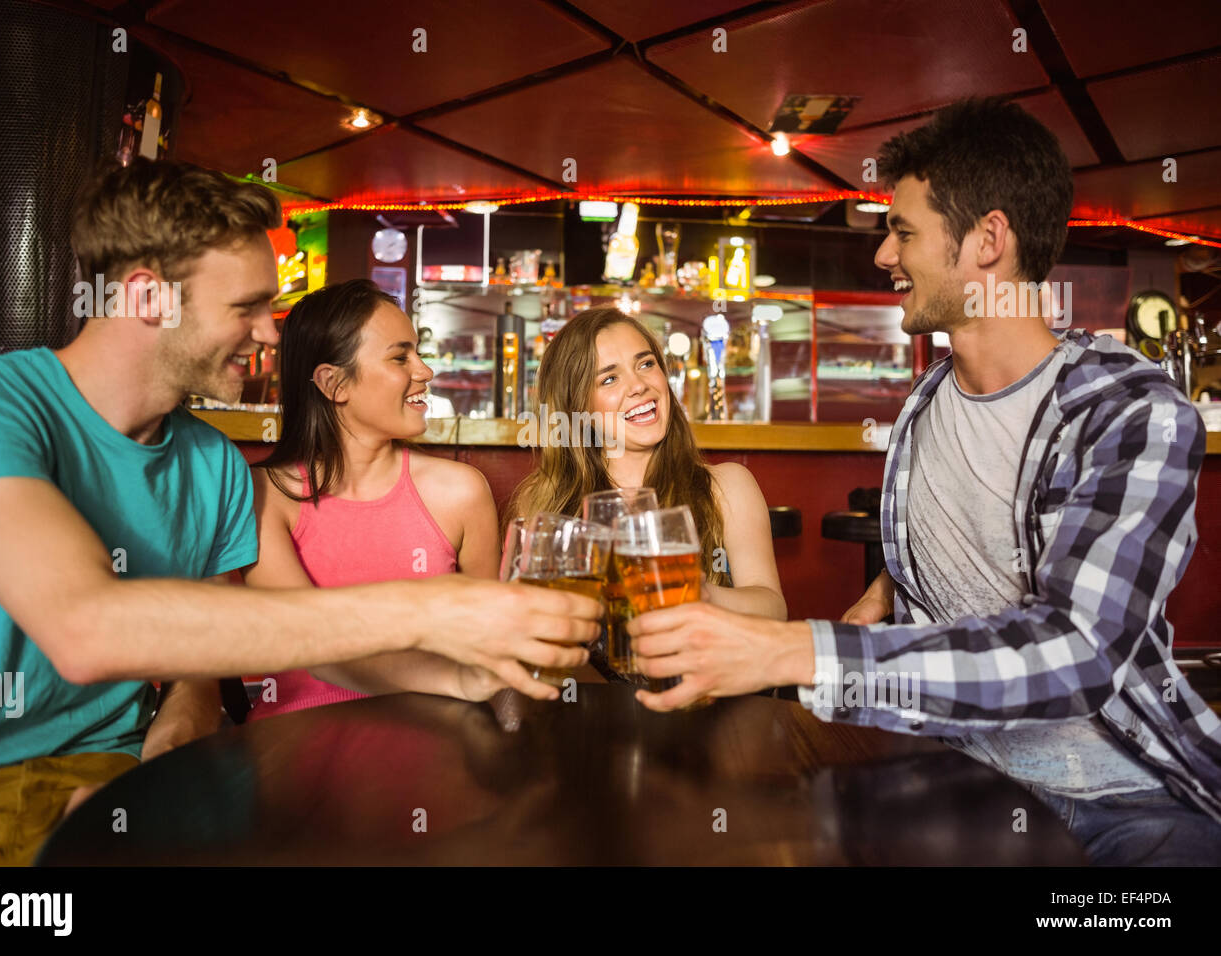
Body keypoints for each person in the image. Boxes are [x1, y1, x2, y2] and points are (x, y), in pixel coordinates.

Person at [0, 159, 597, 866]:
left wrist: (465, 677)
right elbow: (84, 627)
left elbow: (242, 646)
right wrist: (434, 608)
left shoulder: (211, 463)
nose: (271, 333)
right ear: (149, 297)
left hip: (111, 780)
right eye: (246, 307)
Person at [627, 97, 1221, 865]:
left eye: (902, 230)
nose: (882, 254)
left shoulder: (1132, 413)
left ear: (989, 241)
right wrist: (880, 600)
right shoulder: (922, 407)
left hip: (1123, 800)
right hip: (956, 777)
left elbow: (1077, 651)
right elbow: (941, 574)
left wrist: (791, 652)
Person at [244, 279, 505, 718]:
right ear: (333, 384)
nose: (424, 371)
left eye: (417, 354)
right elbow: (312, 640)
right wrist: (458, 679)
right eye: (400, 357)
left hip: (436, 740)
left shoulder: (461, 491)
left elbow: (489, 643)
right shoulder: (265, 496)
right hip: (296, 745)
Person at [507, 307, 786, 620]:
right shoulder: (543, 500)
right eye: (609, 378)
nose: (639, 385)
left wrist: (701, 592)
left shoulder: (726, 485)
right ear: (576, 406)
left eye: (646, 364)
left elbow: (772, 608)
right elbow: (523, 621)